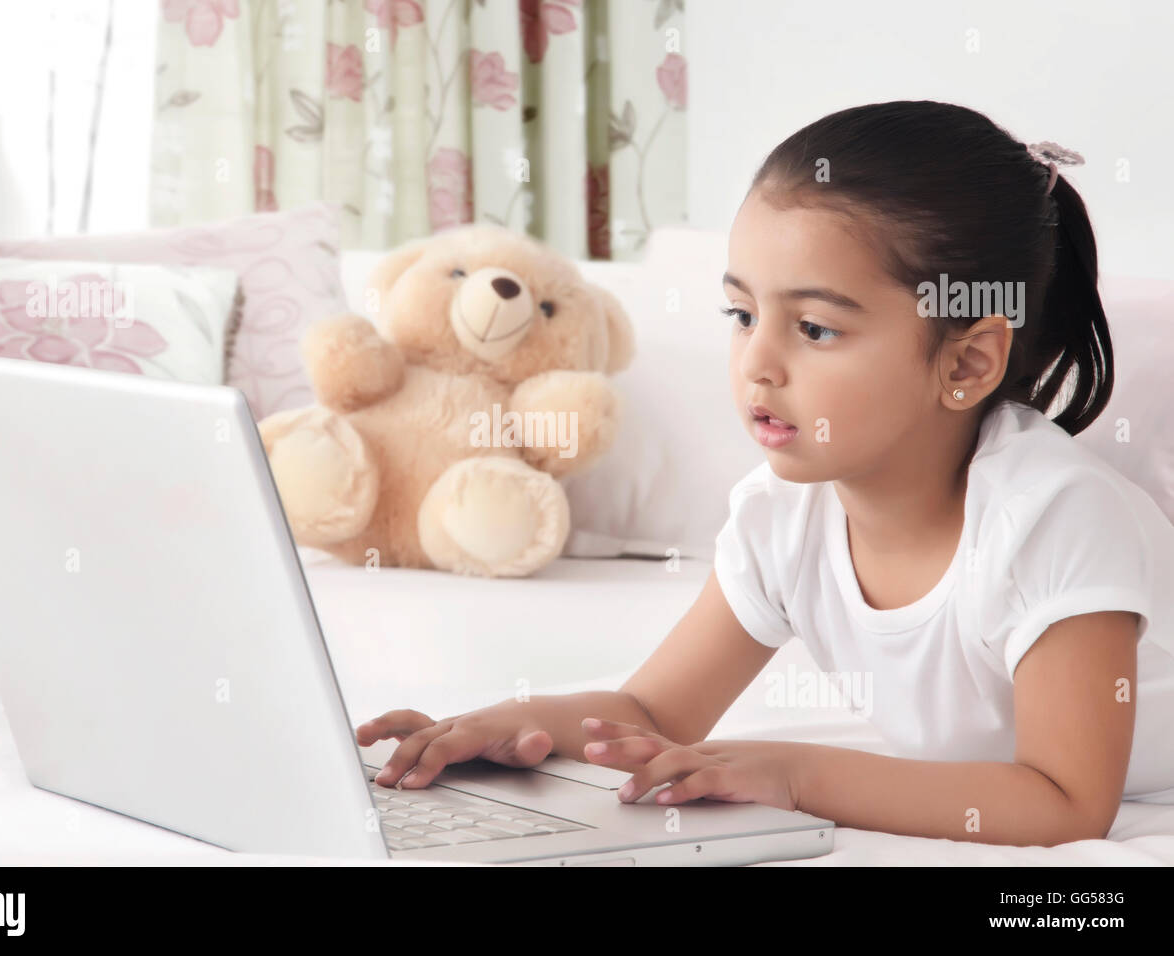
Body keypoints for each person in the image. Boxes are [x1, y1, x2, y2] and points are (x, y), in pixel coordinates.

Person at [356, 100, 1174, 847]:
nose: (757, 364)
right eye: (742, 315)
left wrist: (793, 774)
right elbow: (653, 713)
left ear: (966, 361)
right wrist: (508, 723)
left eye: (814, 328)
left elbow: (1067, 800)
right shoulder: (782, 514)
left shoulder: (1055, 519)